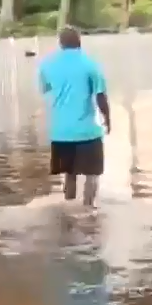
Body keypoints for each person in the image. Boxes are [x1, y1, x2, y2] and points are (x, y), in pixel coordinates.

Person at [39, 26, 110, 206]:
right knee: (92, 175)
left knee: (69, 174)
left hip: (60, 132)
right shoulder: (90, 65)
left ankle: (69, 209)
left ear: (60, 43)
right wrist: (107, 119)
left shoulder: (47, 65)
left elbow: (45, 90)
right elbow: (100, 96)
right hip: (87, 132)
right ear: (79, 41)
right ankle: (88, 209)